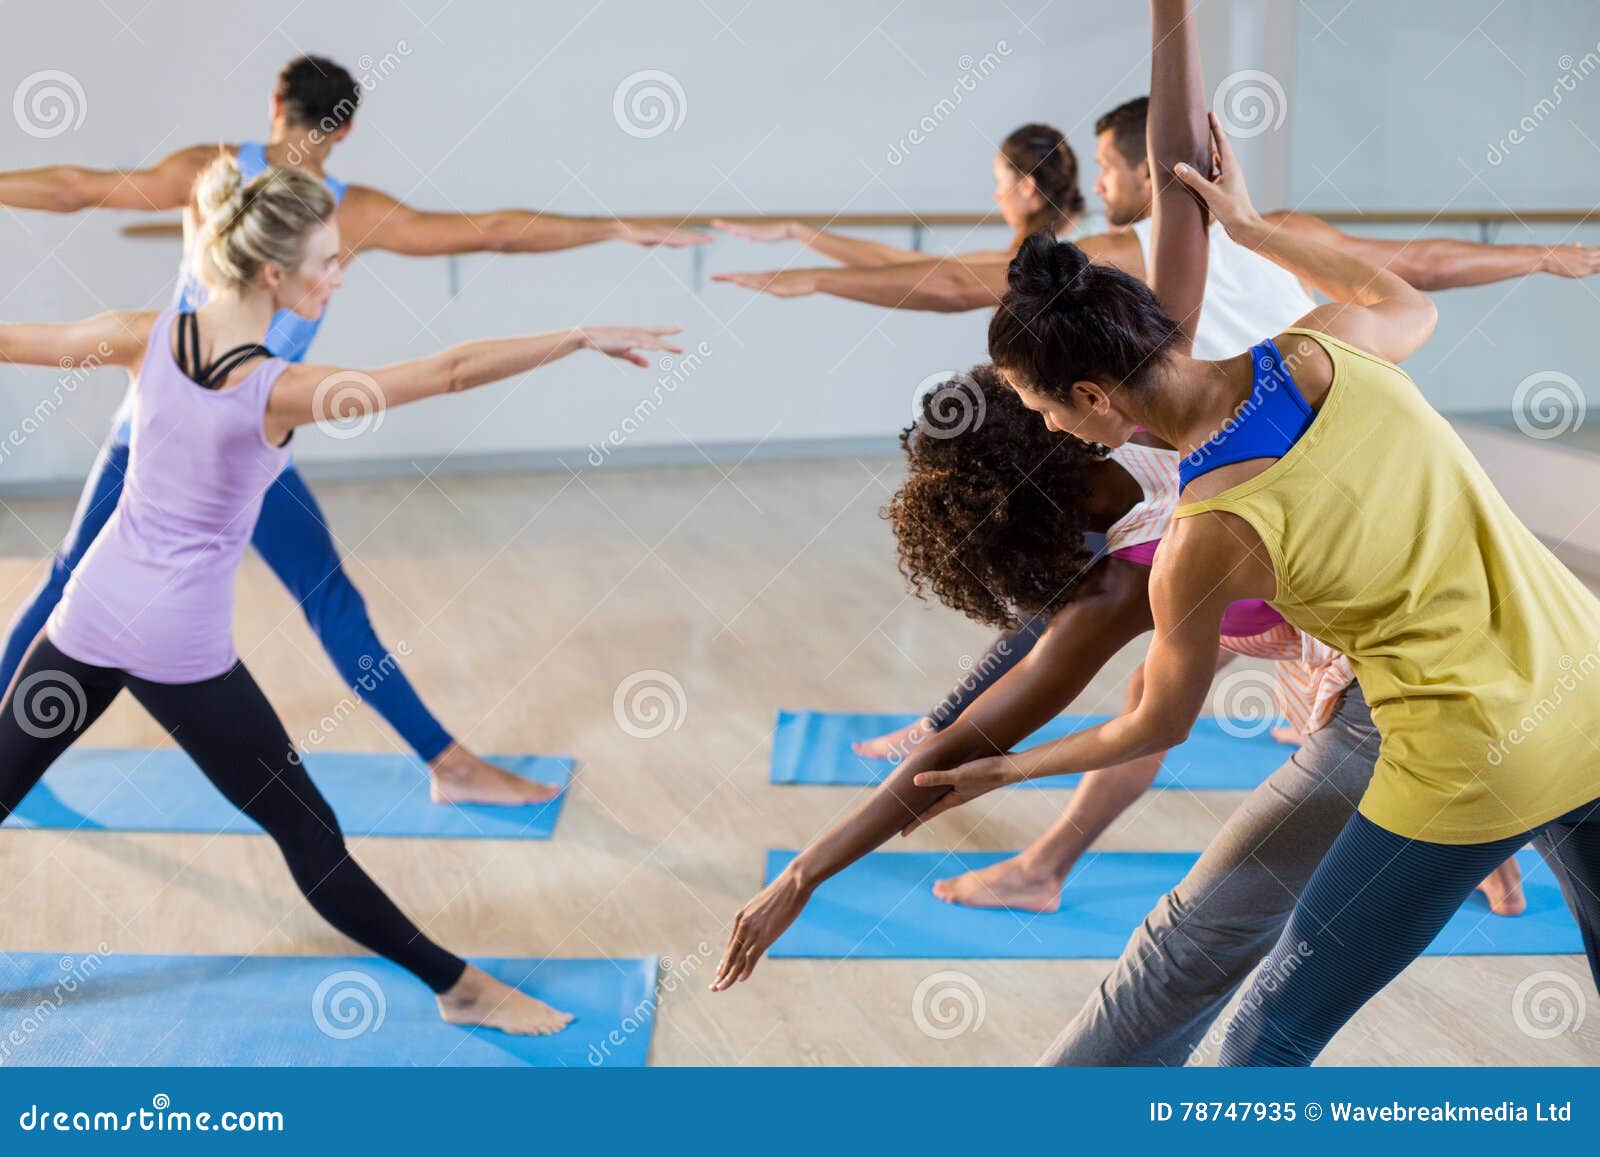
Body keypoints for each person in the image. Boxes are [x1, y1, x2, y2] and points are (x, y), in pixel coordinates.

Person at [910, 17, 1600, 1063]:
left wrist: (1007, 770)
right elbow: (1399, 293)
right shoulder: (1326, 346)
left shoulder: (1208, 530)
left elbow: (1152, 725)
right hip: (1587, 684)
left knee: (1264, 1040)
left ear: (1093, 395)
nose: (1044, 426)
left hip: (1470, 759)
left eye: (1040, 406)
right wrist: (1247, 223)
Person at [0, 156, 679, 1034]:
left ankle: (460, 981)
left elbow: (14, 339)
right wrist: (577, 336)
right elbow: (449, 371)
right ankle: (459, 985)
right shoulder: (281, 391)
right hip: (176, 646)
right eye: (329, 259)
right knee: (308, 834)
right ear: (273, 272)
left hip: (88, 618)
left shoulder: (145, 335)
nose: (340, 272)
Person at [0, 54, 705, 807]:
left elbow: (74, 189)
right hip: (247, 431)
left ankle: (12, 738)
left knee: (69, 578)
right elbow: (494, 232)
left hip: (155, 419)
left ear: (276, 101)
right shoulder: (345, 207)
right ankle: (450, 762)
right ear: (346, 128)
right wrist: (616, 228)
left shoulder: (209, 172)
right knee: (329, 599)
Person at [711, 96, 1600, 314]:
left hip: (1249, 464)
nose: (1098, 186)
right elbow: (1420, 264)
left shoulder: (1127, 250)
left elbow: (956, 282)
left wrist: (816, 278)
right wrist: (1543, 258)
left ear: (1147, 175)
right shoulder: (1285, 230)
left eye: (1107, 168)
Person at [709, 122, 1084, 281]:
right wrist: (798, 232)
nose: (995, 196)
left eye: (1000, 183)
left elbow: (925, 272)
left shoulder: (1051, 259)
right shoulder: (1044, 248)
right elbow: (912, 266)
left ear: (1028, 188)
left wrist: (811, 267)